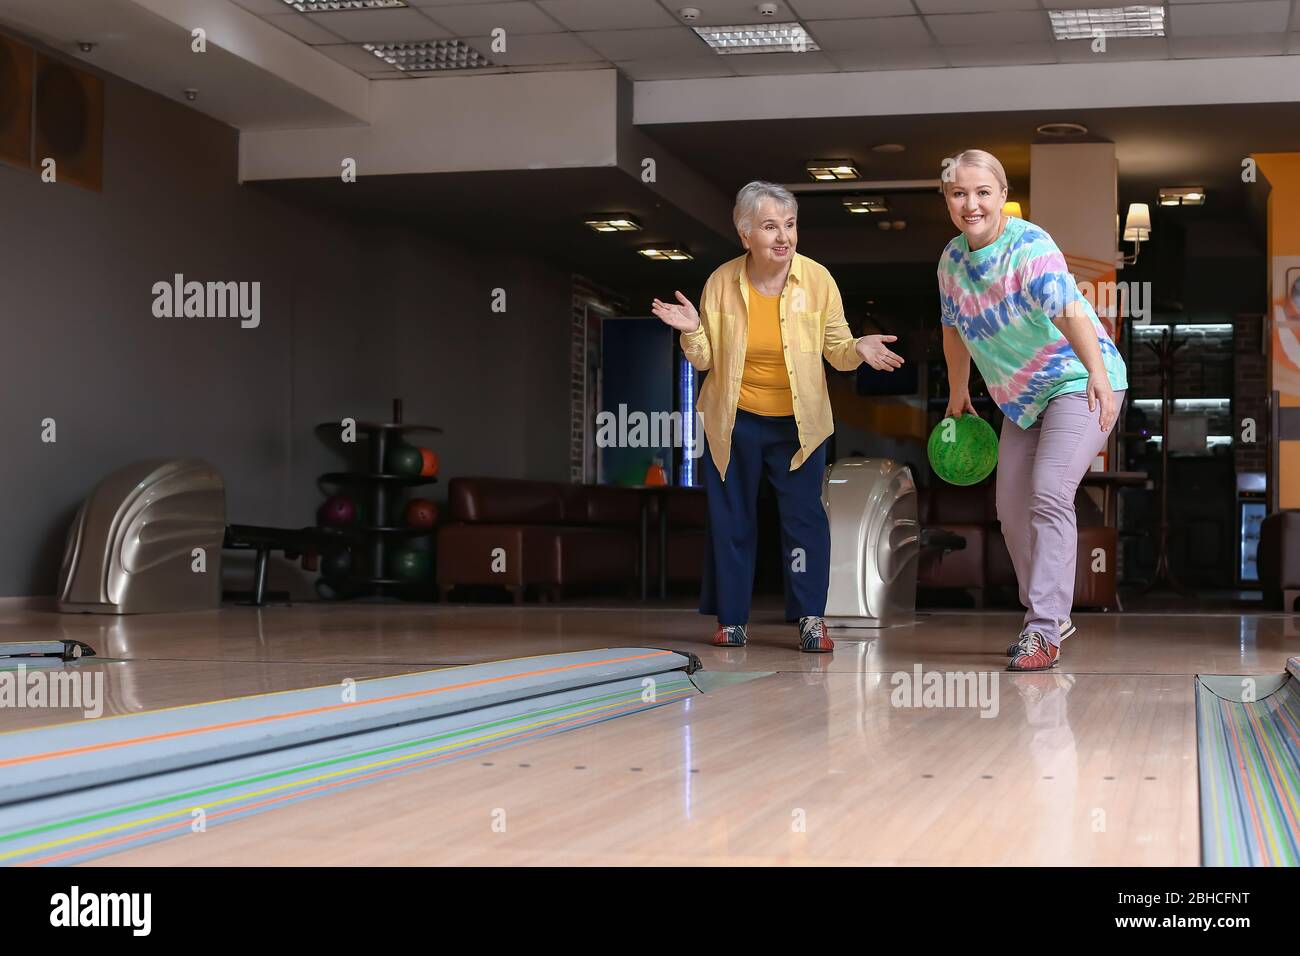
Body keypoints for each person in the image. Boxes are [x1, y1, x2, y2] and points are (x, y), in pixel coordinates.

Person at [652, 181, 904, 653]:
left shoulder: (817, 280)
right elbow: (705, 360)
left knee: (804, 519)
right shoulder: (721, 283)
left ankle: (811, 618)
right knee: (732, 520)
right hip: (735, 419)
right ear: (745, 232)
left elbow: (838, 350)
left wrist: (858, 350)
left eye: (789, 225)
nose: (783, 236)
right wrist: (691, 332)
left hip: (799, 424)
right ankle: (731, 621)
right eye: (771, 227)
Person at [936, 149, 1129, 672]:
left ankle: (1042, 629)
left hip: (1077, 381)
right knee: (1011, 509)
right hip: (1021, 401)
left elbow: (1069, 310)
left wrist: (1098, 376)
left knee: (1049, 492)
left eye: (982, 192)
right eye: (959, 193)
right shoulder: (951, 263)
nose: (970, 203)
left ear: (1002, 195)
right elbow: (953, 331)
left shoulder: (1030, 246)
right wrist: (959, 394)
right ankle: (1051, 616)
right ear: (948, 200)